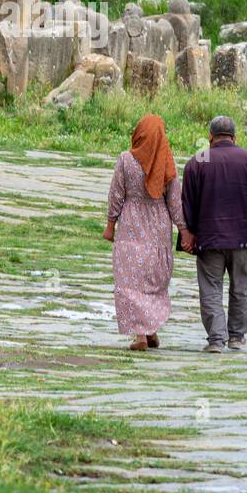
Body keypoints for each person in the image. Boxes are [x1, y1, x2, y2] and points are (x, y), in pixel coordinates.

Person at [181, 115, 247, 354]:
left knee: (211, 288)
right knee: (241, 287)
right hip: (242, 238)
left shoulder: (197, 162)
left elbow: (187, 203)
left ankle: (215, 340)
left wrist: (188, 233)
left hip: (209, 238)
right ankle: (236, 336)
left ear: (210, 137)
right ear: (235, 138)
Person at [104, 114, 194, 351]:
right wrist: (183, 230)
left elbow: (116, 194)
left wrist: (110, 224)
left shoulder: (125, 159)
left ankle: (141, 335)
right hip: (158, 225)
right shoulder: (167, 162)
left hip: (131, 225)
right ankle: (150, 331)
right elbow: (175, 201)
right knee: (152, 279)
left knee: (129, 279)